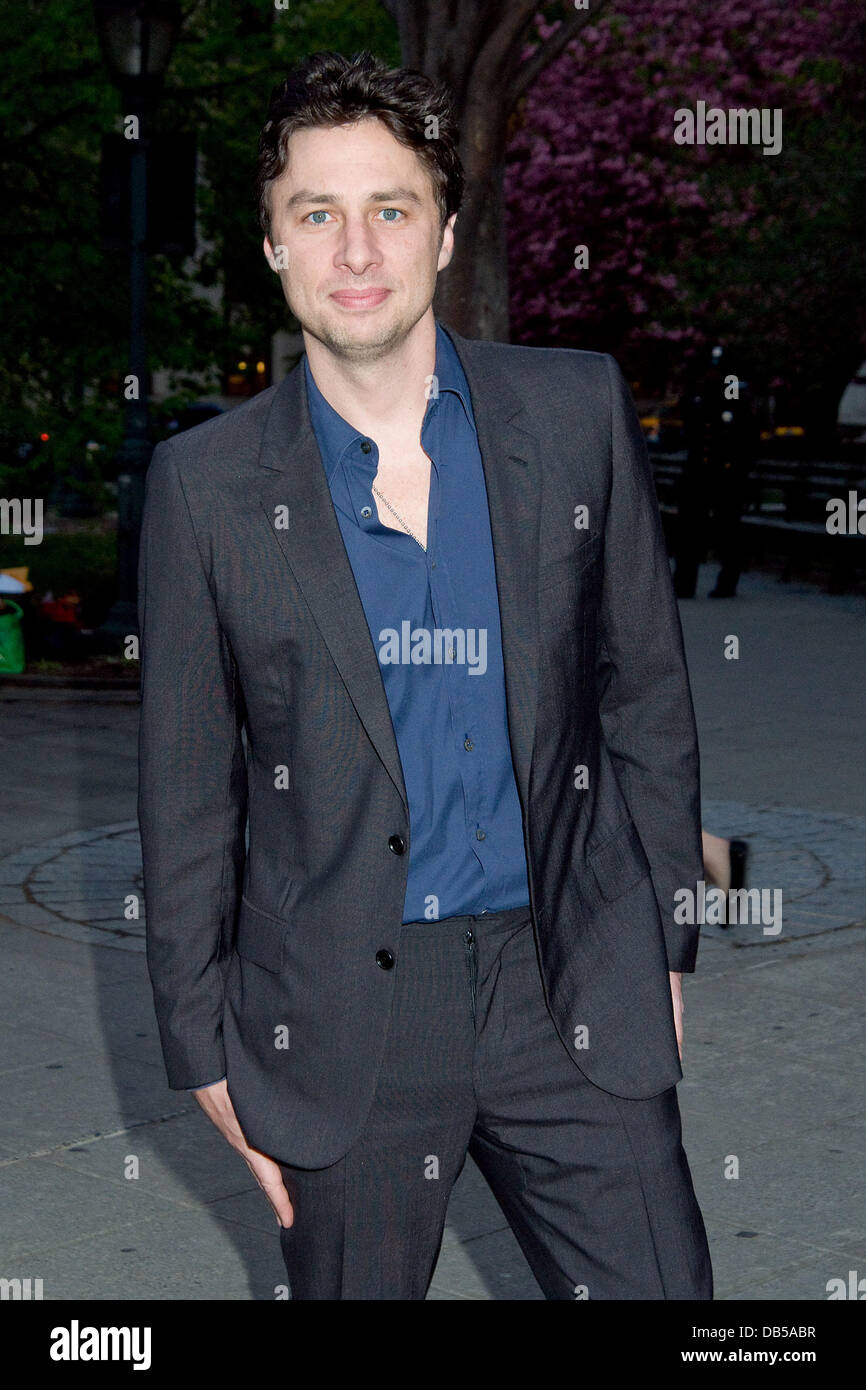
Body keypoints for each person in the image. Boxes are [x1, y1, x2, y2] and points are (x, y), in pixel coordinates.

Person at [137, 50, 713, 1301]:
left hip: (566, 978)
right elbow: (187, 794)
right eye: (316, 214)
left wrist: (666, 937)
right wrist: (202, 1052)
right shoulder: (203, 488)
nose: (355, 248)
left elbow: (646, 698)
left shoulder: (572, 414)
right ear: (274, 246)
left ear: (444, 233)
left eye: (390, 208)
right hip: (343, 1014)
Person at [673, 344, 757, 599]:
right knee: (689, 528)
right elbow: (691, 425)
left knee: (727, 529)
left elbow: (746, 437)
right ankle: (684, 582)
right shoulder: (698, 393)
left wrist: (739, 469)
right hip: (700, 470)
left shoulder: (736, 396)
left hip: (726, 473)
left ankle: (728, 580)